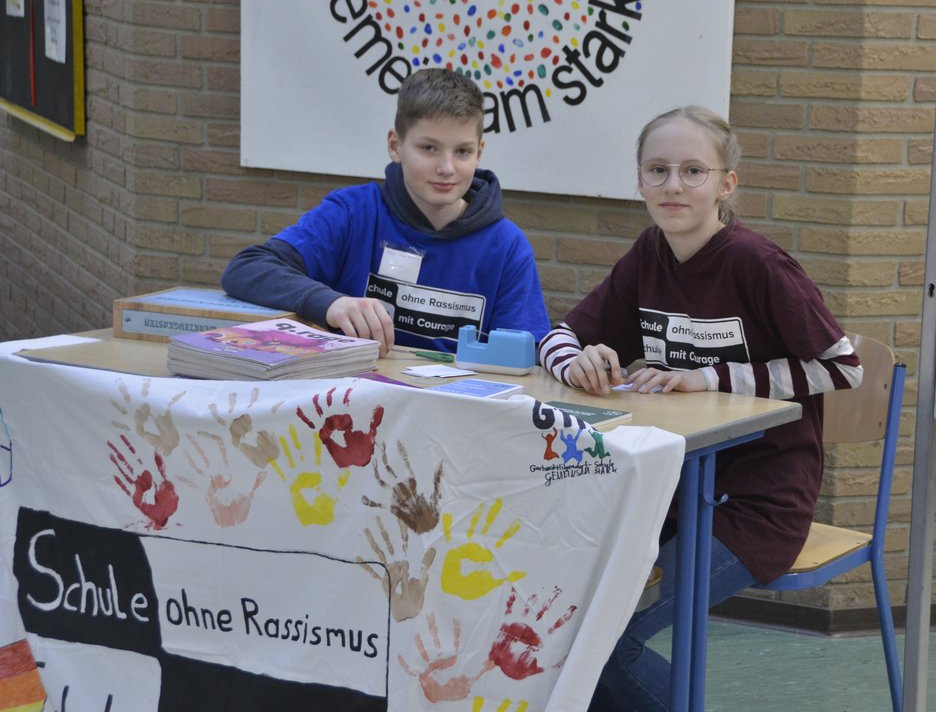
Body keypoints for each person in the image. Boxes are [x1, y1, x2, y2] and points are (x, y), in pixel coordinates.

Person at [536, 106, 862, 711]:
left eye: (692, 170)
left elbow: (843, 367)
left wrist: (710, 376)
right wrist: (571, 363)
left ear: (726, 183)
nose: (673, 186)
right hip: (666, 494)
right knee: (558, 618)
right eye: (657, 170)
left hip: (757, 506)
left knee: (605, 641)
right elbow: (560, 334)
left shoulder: (758, 265)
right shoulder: (647, 254)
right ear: (638, 180)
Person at [222, 68, 550, 355]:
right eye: (428, 148)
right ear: (395, 145)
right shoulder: (352, 213)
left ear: (479, 153)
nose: (447, 168)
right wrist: (331, 303)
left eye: (462, 151)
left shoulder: (507, 247)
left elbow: (525, 358)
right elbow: (246, 268)